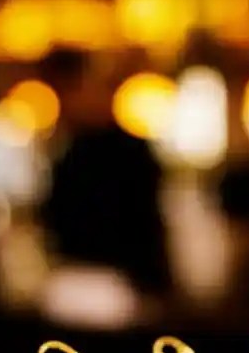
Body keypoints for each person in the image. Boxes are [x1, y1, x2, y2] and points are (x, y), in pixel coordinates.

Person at [37, 50, 172, 298]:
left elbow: (147, 226)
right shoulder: (68, 151)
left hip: (115, 285)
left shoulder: (125, 152)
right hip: (82, 280)